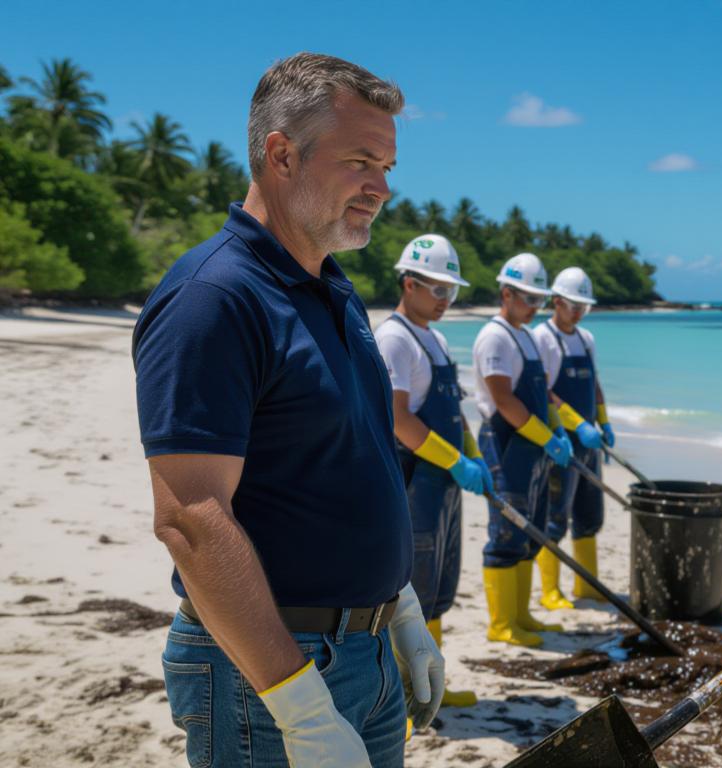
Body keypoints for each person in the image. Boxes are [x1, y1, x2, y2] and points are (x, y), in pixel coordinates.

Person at [133, 53, 444, 768]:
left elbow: (351, 462)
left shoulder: (334, 291)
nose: (381, 188)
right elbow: (189, 518)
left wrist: (399, 606)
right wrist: (300, 706)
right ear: (281, 154)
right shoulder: (214, 297)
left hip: (367, 652)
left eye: (387, 167)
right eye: (360, 162)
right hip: (270, 670)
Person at [375, 233, 489, 709]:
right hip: (412, 482)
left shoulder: (436, 339)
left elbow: (453, 408)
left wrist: (473, 453)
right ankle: (401, 696)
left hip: (443, 482)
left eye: (452, 291)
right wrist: (453, 460)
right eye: (439, 289)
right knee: (410, 588)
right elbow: (398, 418)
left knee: (438, 583)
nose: (446, 299)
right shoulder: (394, 339)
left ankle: (430, 682)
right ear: (409, 283)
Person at [471, 253, 574, 647]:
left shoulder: (526, 336)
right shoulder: (494, 336)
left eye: (539, 300)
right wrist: (545, 437)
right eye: (529, 298)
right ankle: (501, 624)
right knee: (506, 533)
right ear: (507, 294)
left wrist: (557, 429)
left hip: (534, 446)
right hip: (504, 444)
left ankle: (522, 614)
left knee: (531, 530)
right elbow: (503, 400)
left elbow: (542, 392)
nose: (535, 307)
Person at [531, 267, 615, 609]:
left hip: (589, 442)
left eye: (584, 306)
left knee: (589, 513)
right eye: (574, 305)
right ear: (556, 301)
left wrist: (604, 421)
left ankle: (587, 584)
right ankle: (551, 590)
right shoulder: (542, 338)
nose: (579, 312)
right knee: (555, 516)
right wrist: (576, 424)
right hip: (560, 443)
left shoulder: (586, 339)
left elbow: (594, 383)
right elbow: (543, 392)